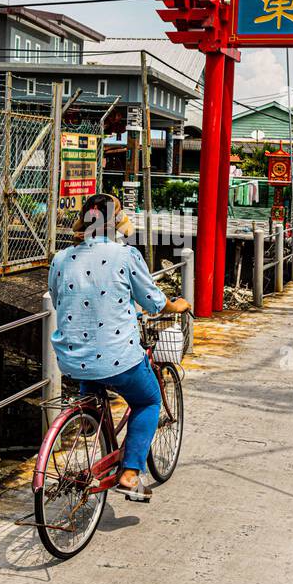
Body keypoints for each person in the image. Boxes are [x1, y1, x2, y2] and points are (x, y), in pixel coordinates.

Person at [47, 193, 191, 501]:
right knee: (148, 401)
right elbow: (153, 300)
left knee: (93, 369)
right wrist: (176, 306)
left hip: (73, 358)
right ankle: (129, 473)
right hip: (118, 358)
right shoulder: (126, 256)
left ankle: (89, 417)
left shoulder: (61, 258)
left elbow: (60, 298)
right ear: (117, 223)